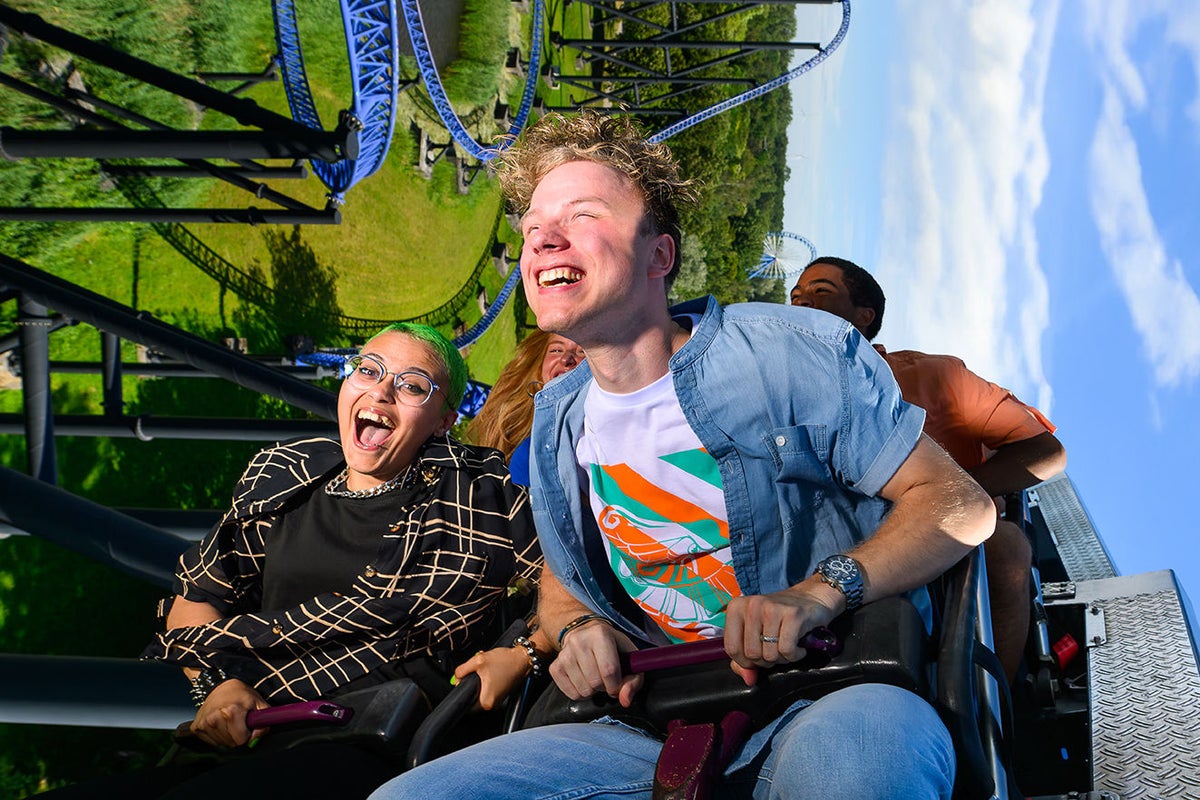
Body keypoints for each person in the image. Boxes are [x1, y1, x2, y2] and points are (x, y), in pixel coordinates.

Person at [370, 111, 995, 800]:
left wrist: (818, 593)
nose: (543, 237)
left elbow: (958, 503)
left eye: (582, 215)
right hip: (652, 719)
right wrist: (575, 626)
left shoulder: (789, 354)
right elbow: (562, 571)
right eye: (532, 224)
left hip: (830, 688)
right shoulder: (558, 422)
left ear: (659, 257)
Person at [39, 323, 542, 800]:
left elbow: (570, 577)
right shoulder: (283, 479)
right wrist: (218, 685)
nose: (381, 393)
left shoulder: (479, 496)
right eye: (368, 370)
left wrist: (525, 652)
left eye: (412, 385)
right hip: (261, 732)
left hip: (381, 746)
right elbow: (196, 598)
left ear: (444, 421)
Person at [790, 257, 1067, 681]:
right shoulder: (776, 387)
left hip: (926, 545)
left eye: (821, 292)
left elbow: (1045, 452)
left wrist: (944, 495)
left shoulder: (934, 376)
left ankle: (993, 714)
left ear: (865, 317)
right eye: (796, 296)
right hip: (815, 541)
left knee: (1008, 546)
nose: (801, 301)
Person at [465, 329, 584, 485]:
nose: (566, 359)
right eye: (556, 350)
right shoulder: (522, 449)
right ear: (540, 368)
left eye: (582, 351)